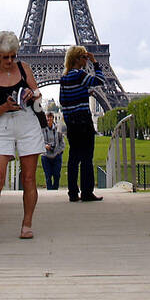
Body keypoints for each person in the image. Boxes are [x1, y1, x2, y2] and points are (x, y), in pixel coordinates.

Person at [0, 30, 44, 242]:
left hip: (27, 123)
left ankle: (27, 224)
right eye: (5, 57)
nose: (9, 61)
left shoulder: (24, 68)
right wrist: (4, 107)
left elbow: (38, 96)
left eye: (13, 56)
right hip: (1, 125)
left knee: (28, 178)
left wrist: (31, 93)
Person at [59, 45, 104, 202]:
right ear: (77, 59)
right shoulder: (80, 75)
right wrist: (95, 62)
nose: (86, 59)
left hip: (72, 123)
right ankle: (86, 192)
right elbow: (100, 80)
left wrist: (83, 94)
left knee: (73, 157)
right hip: (84, 122)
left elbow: (63, 101)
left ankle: (72, 193)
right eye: (84, 57)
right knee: (86, 158)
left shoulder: (64, 78)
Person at [40, 112, 64, 190]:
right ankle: (50, 191)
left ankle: (55, 190)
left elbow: (62, 142)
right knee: (48, 175)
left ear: (53, 118)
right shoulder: (42, 129)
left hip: (56, 155)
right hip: (45, 156)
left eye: (51, 117)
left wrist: (58, 152)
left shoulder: (57, 129)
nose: (49, 119)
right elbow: (39, 141)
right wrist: (44, 146)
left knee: (57, 175)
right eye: (48, 117)